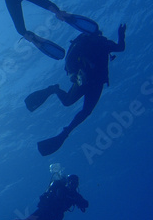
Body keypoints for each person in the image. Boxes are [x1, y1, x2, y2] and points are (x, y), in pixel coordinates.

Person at [25, 24, 126, 155]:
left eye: (98, 33)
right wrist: (74, 75)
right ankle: (53, 89)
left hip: (97, 83)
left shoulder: (103, 42)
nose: (99, 35)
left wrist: (121, 34)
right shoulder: (84, 42)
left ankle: (66, 132)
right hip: (85, 79)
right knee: (67, 102)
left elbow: (120, 48)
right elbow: (70, 61)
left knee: (86, 111)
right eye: (96, 33)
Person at [22, 173, 89, 220]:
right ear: (68, 182)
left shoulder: (75, 195)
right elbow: (55, 197)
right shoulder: (61, 188)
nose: (73, 185)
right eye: (72, 183)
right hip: (45, 209)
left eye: (75, 184)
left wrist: (77, 200)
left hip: (54, 215)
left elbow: (86, 204)